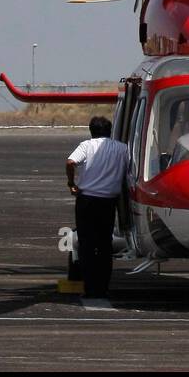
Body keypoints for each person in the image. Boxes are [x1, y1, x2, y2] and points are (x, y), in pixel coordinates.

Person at [66, 115, 129, 302]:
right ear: (110, 131)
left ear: (91, 131)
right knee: (104, 246)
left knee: (86, 246)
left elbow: (70, 162)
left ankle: (89, 288)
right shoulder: (122, 149)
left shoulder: (86, 146)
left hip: (86, 200)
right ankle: (102, 289)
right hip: (108, 202)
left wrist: (72, 183)